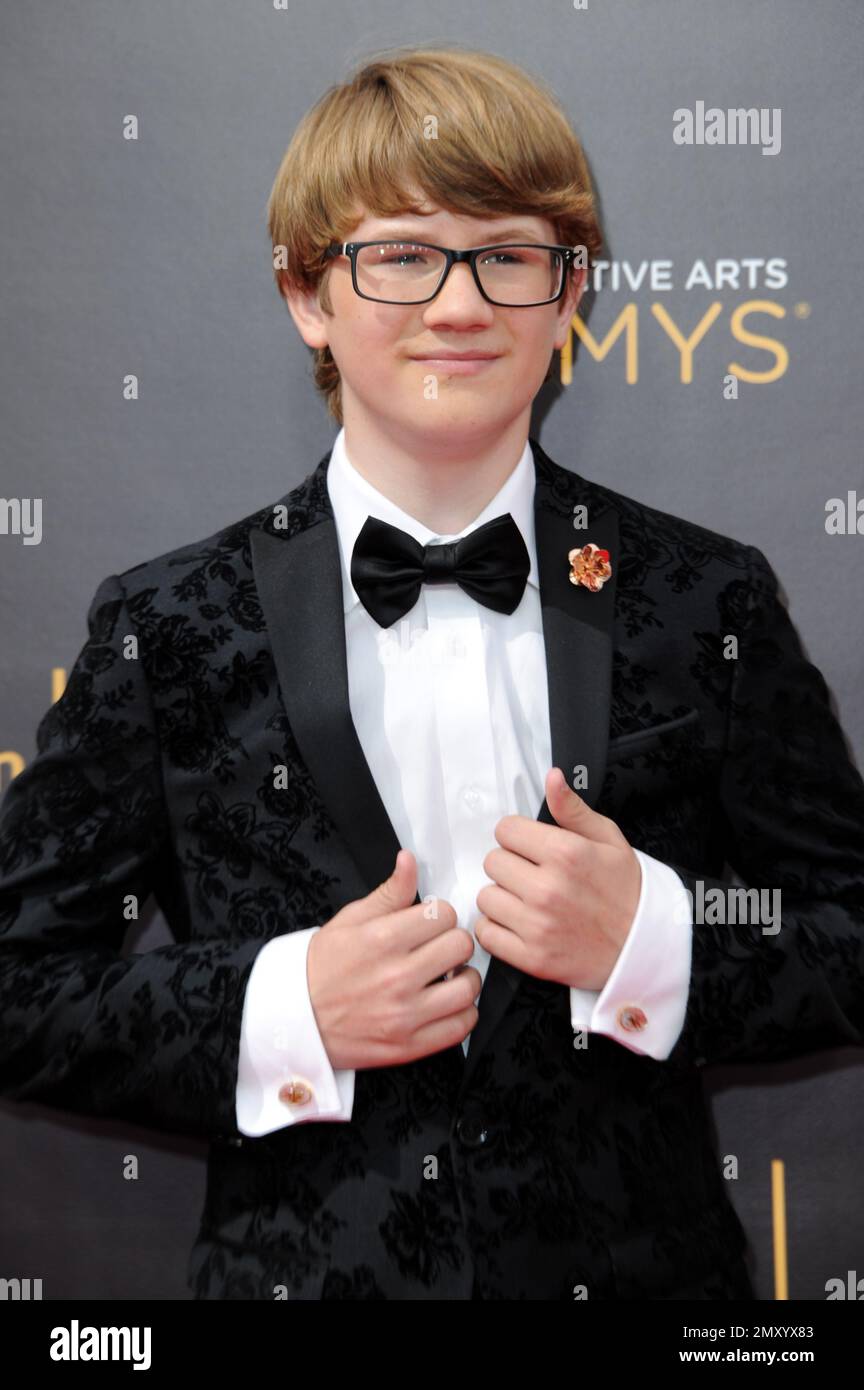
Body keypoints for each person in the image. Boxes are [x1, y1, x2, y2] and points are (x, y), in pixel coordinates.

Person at [1, 45, 862, 1302]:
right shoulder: (168, 625)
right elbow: (18, 982)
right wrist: (284, 1004)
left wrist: (656, 940)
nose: (460, 306)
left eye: (508, 254)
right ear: (307, 293)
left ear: (569, 293)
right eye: (400, 253)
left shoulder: (705, 596)